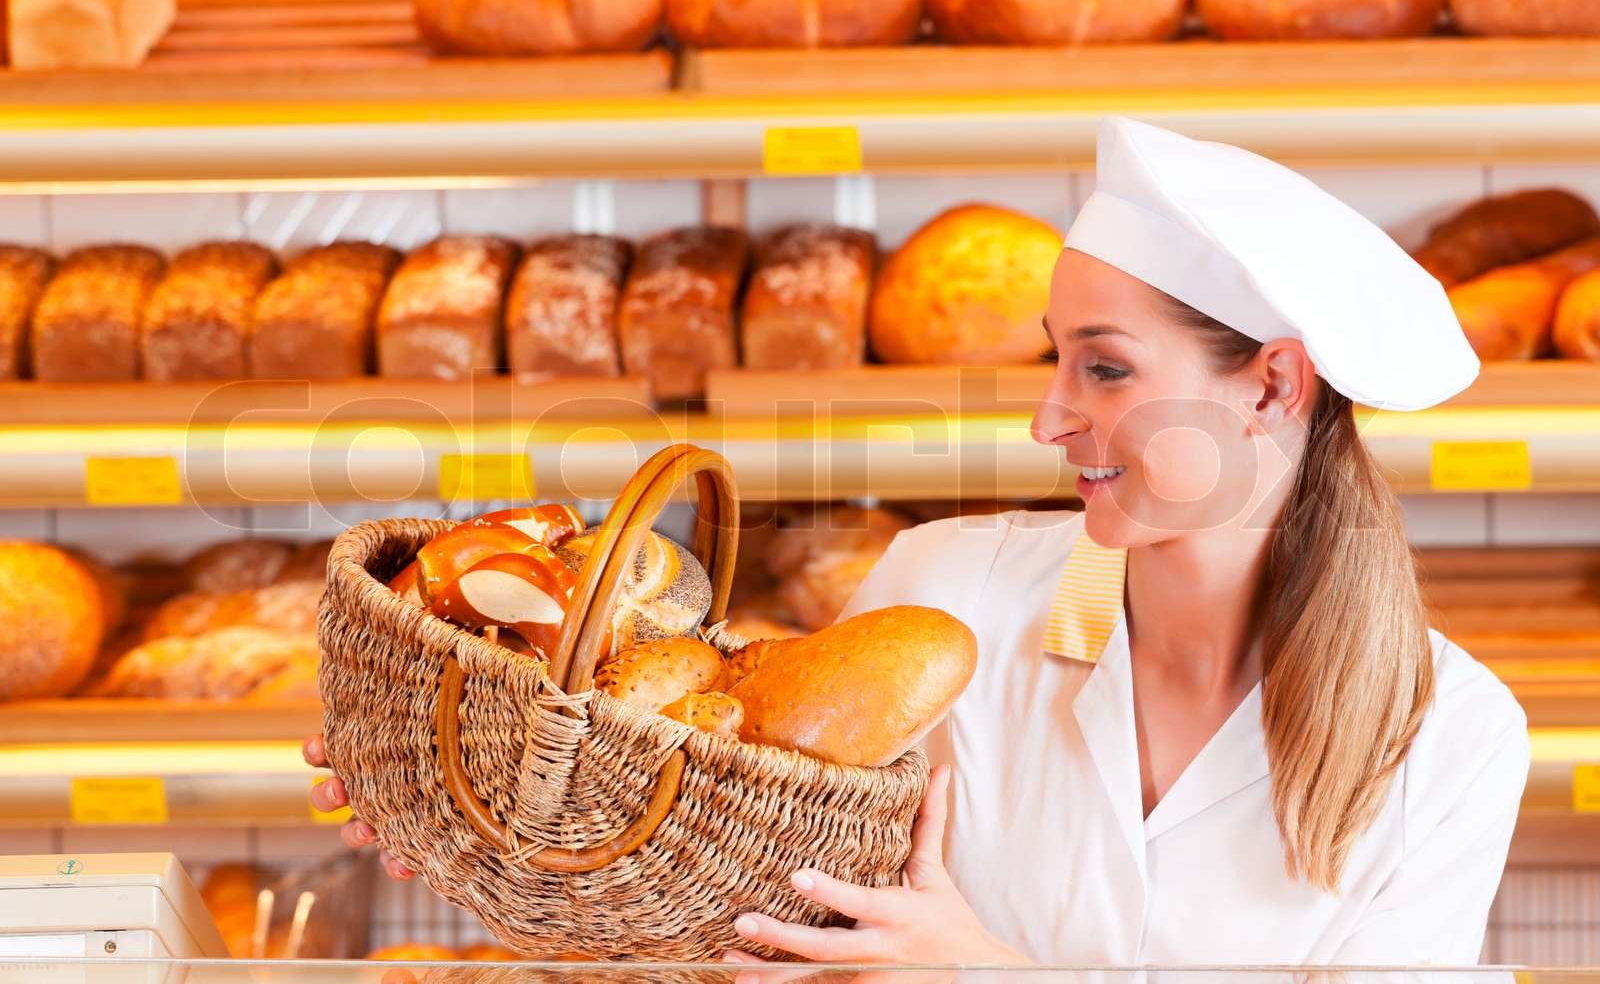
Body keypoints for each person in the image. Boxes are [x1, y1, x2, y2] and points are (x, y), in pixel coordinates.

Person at [308, 117, 1531, 967]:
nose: (1051, 415)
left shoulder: (1450, 740)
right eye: (1055, 356)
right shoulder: (946, 605)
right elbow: (744, 909)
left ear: (1272, 386)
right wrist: (507, 824)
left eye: (1103, 366)